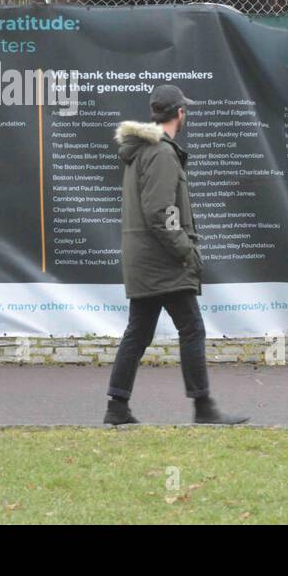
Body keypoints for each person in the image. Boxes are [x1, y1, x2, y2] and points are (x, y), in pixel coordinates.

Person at [104, 84, 248, 426]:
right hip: (164, 262)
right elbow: (161, 212)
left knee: (138, 333)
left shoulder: (141, 152)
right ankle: (203, 407)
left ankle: (116, 406)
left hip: (146, 261)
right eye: (186, 111)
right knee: (192, 328)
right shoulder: (162, 154)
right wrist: (186, 251)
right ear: (179, 113)